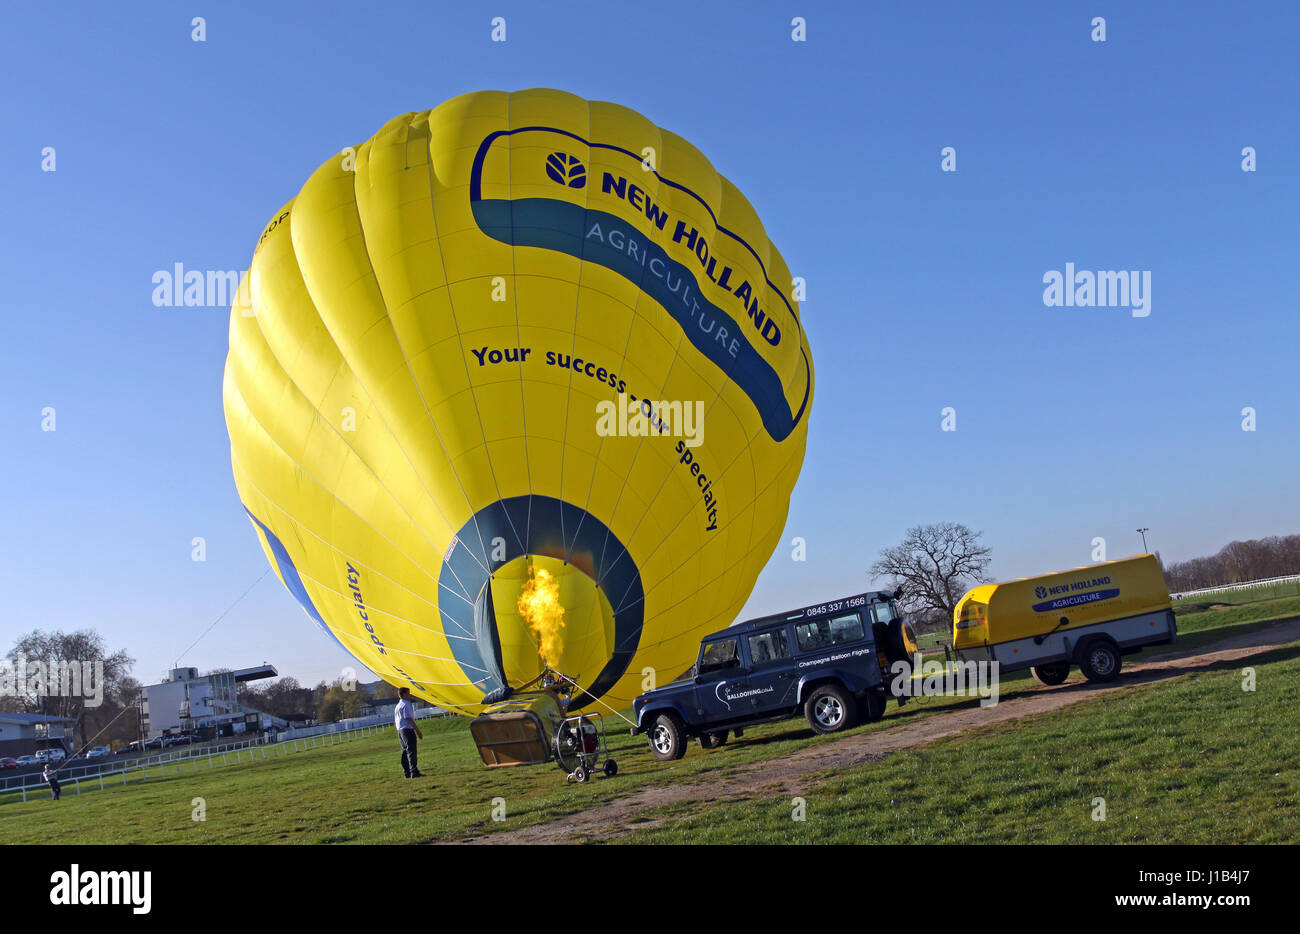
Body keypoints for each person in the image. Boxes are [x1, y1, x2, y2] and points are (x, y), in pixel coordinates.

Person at [394, 687, 423, 778]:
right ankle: (414, 771)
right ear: (404, 694)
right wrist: (418, 731)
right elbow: (409, 718)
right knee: (411, 751)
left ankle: (407, 772)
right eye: (408, 693)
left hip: (400, 730)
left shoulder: (398, 706)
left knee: (405, 751)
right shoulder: (406, 704)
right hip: (407, 729)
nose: (410, 695)